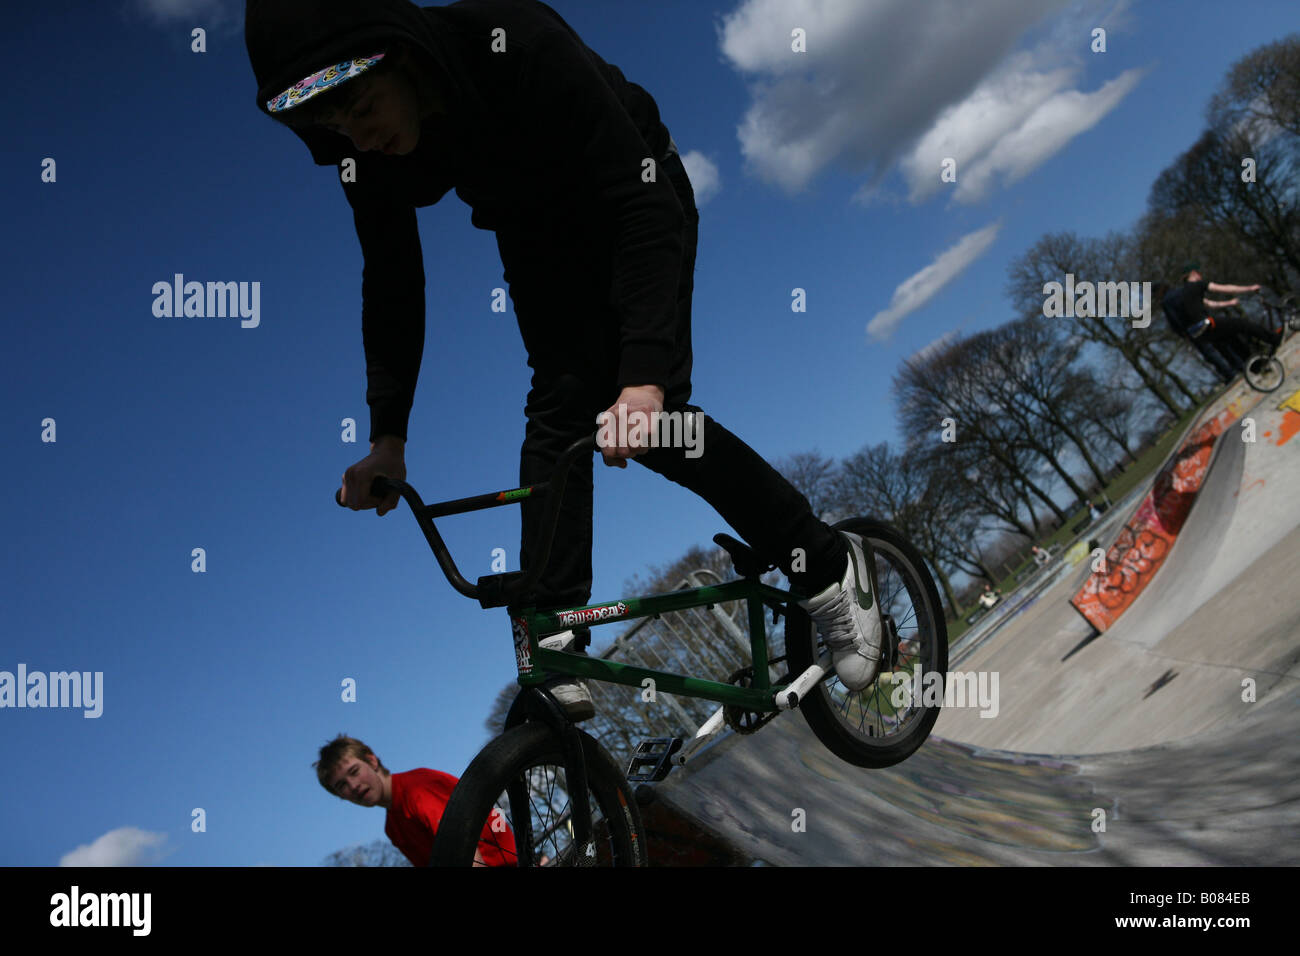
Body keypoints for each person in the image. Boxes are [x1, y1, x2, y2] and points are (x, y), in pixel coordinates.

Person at [245, 0, 885, 718]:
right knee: (558, 408)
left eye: (364, 107)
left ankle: (828, 566)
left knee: (657, 424)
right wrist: (387, 440)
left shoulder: (513, 40)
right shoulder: (363, 158)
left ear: (402, 55)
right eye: (337, 127)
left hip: (633, 190)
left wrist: (642, 381)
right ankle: (552, 634)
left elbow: (644, 207)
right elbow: (393, 286)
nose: (361, 138)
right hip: (532, 235)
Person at [315, 734, 515, 866]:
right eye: (341, 785)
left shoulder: (416, 788)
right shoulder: (393, 827)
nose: (353, 785)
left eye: (354, 771)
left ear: (371, 761)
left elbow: (463, 847)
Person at [1161, 263, 1283, 383]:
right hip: (1207, 324)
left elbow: (1209, 304)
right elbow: (1226, 288)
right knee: (1242, 324)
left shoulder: (1182, 294)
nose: (1201, 276)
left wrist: (1230, 303)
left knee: (1230, 337)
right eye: (1199, 273)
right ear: (1193, 274)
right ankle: (1273, 338)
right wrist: (1249, 288)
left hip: (1198, 334)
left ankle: (1255, 365)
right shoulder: (1197, 285)